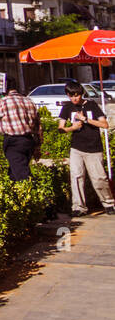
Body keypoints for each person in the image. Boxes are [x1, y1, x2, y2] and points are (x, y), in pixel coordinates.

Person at [58, 80, 115, 217]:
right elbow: (61, 128)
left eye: (76, 95)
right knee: (76, 177)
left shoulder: (92, 105)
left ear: (81, 94)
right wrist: (72, 128)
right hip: (76, 148)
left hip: (94, 148)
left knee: (99, 178)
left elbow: (105, 124)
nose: (74, 98)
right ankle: (78, 207)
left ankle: (108, 203)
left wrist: (86, 120)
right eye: (71, 96)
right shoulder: (67, 108)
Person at [0, 80, 41, 181]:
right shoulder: (28, 101)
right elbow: (37, 126)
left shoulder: (2, 102)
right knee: (14, 172)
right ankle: (16, 194)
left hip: (13, 141)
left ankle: (35, 193)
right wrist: (37, 146)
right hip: (28, 140)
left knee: (22, 175)